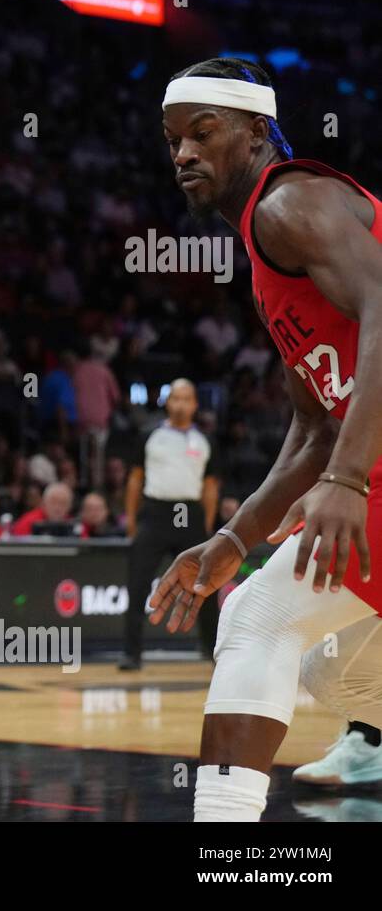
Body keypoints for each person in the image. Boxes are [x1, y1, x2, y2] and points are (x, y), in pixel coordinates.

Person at [149, 58, 382, 821]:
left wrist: (346, 481)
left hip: (371, 472)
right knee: (334, 675)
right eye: (172, 138)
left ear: (256, 133)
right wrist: (232, 537)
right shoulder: (263, 248)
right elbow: (315, 426)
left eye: (202, 133)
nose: (182, 152)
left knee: (259, 621)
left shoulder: (290, 206)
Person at [121, 378, 220, 670]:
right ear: (168, 402)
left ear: (195, 405)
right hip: (155, 513)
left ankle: (211, 648)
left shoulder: (205, 440)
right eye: (176, 398)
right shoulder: (149, 434)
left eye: (186, 399)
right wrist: (131, 522)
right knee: (138, 584)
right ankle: (131, 653)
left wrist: (208, 525)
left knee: (204, 584)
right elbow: (135, 479)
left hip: (190, 514)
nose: (180, 404)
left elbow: (211, 485)